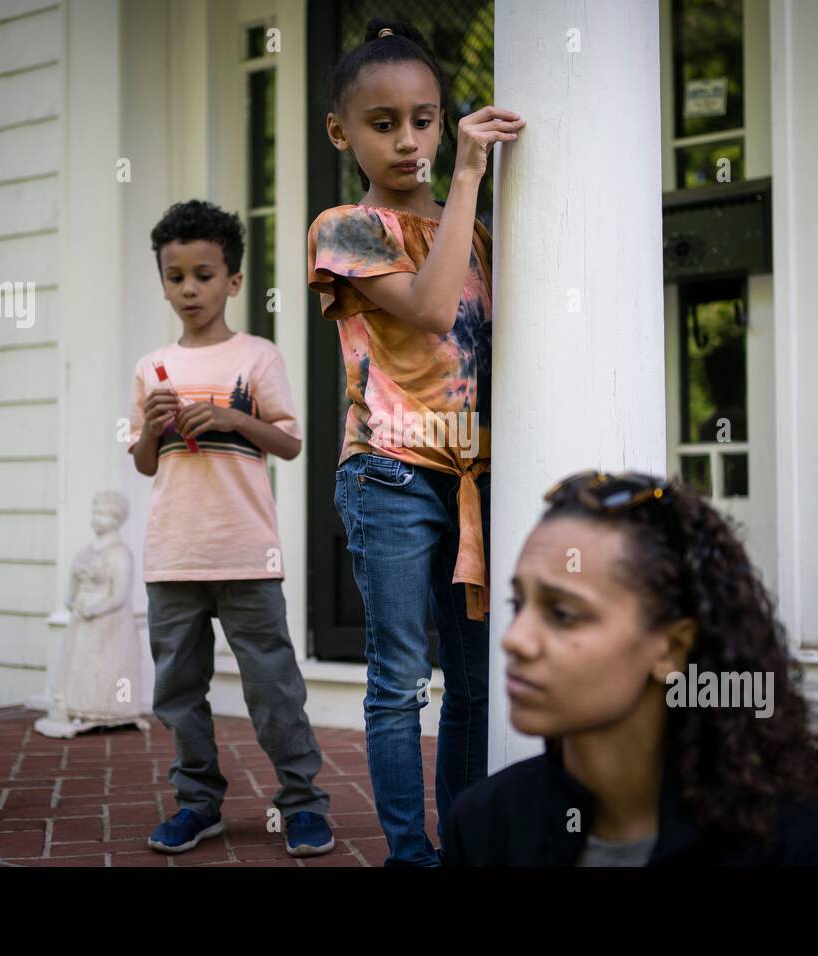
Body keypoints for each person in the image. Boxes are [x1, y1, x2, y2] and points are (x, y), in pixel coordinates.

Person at [306, 17, 524, 866]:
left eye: (425, 120)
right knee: (400, 684)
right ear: (342, 131)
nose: (409, 140)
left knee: (472, 685)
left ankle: (463, 848)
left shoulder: (479, 236)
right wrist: (469, 171)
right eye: (383, 122)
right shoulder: (346, 229)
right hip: (389, 475)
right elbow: (435, 309)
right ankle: (411, 855)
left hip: (471, 478)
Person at [444, 470, 818, 866]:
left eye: (563, 613)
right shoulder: (484, 826)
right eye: (519, 605)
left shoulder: (793, 846)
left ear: (672, 648)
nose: (514, 638)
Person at [129, 200, 333, 857]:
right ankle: (198, 804)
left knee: (273, 692)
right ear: (162, 281)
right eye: (176, 276)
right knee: (179, 695)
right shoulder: (150, 368)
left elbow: (291, 442)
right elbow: (143, 462)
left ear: (233, 282)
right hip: (173, 557)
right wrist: (157, 428)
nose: (190, 289)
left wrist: (231, 420)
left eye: (204, 275)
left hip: (247, 553)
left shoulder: (257, 358)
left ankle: (302, 804)